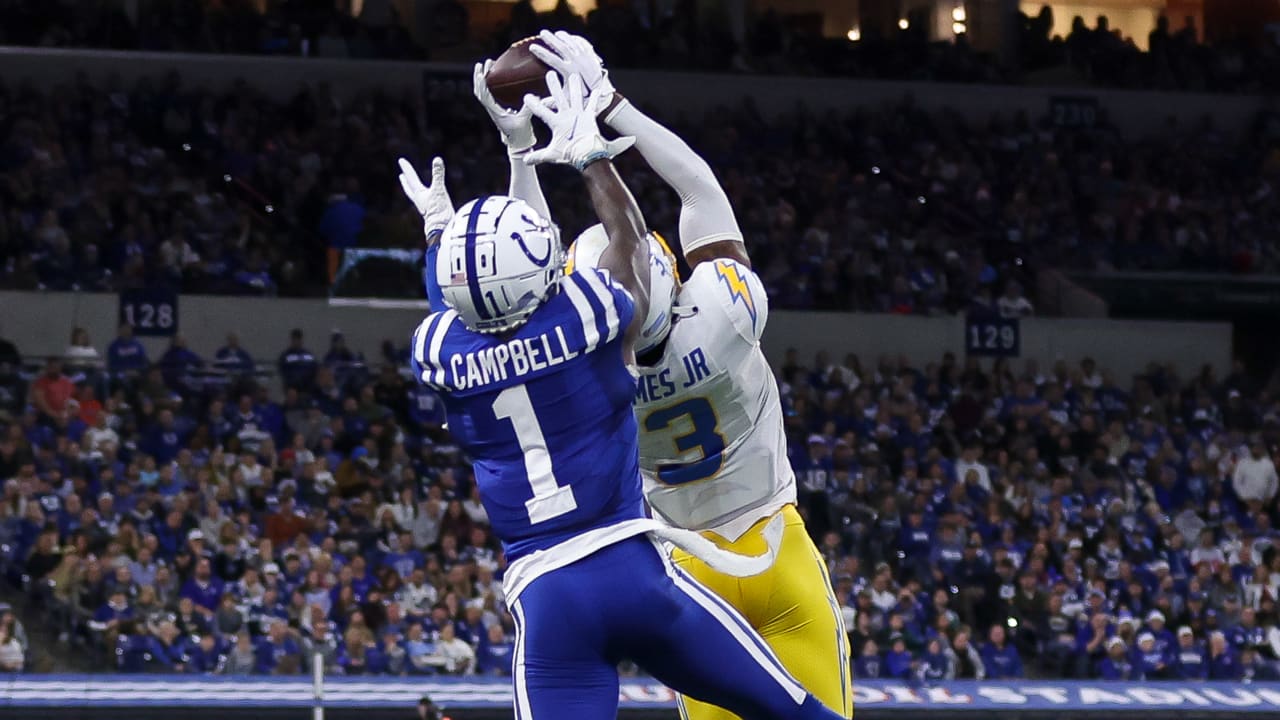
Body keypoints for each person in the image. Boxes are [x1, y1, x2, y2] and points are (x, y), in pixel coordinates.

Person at [398, 71, 843, 720]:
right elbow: (676, 205)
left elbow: (498, 298)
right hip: (728, 545)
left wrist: (446, 235)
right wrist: (596, 147)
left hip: (578, 581)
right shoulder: (687, 319)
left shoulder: (444, 351)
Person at [523, 30, 852, 719]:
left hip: (684, 567)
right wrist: (613, 106)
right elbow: (698, 184)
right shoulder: (724, 314)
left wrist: (519, 154)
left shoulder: (583, 375)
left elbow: (529, 283)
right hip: (774, 544)